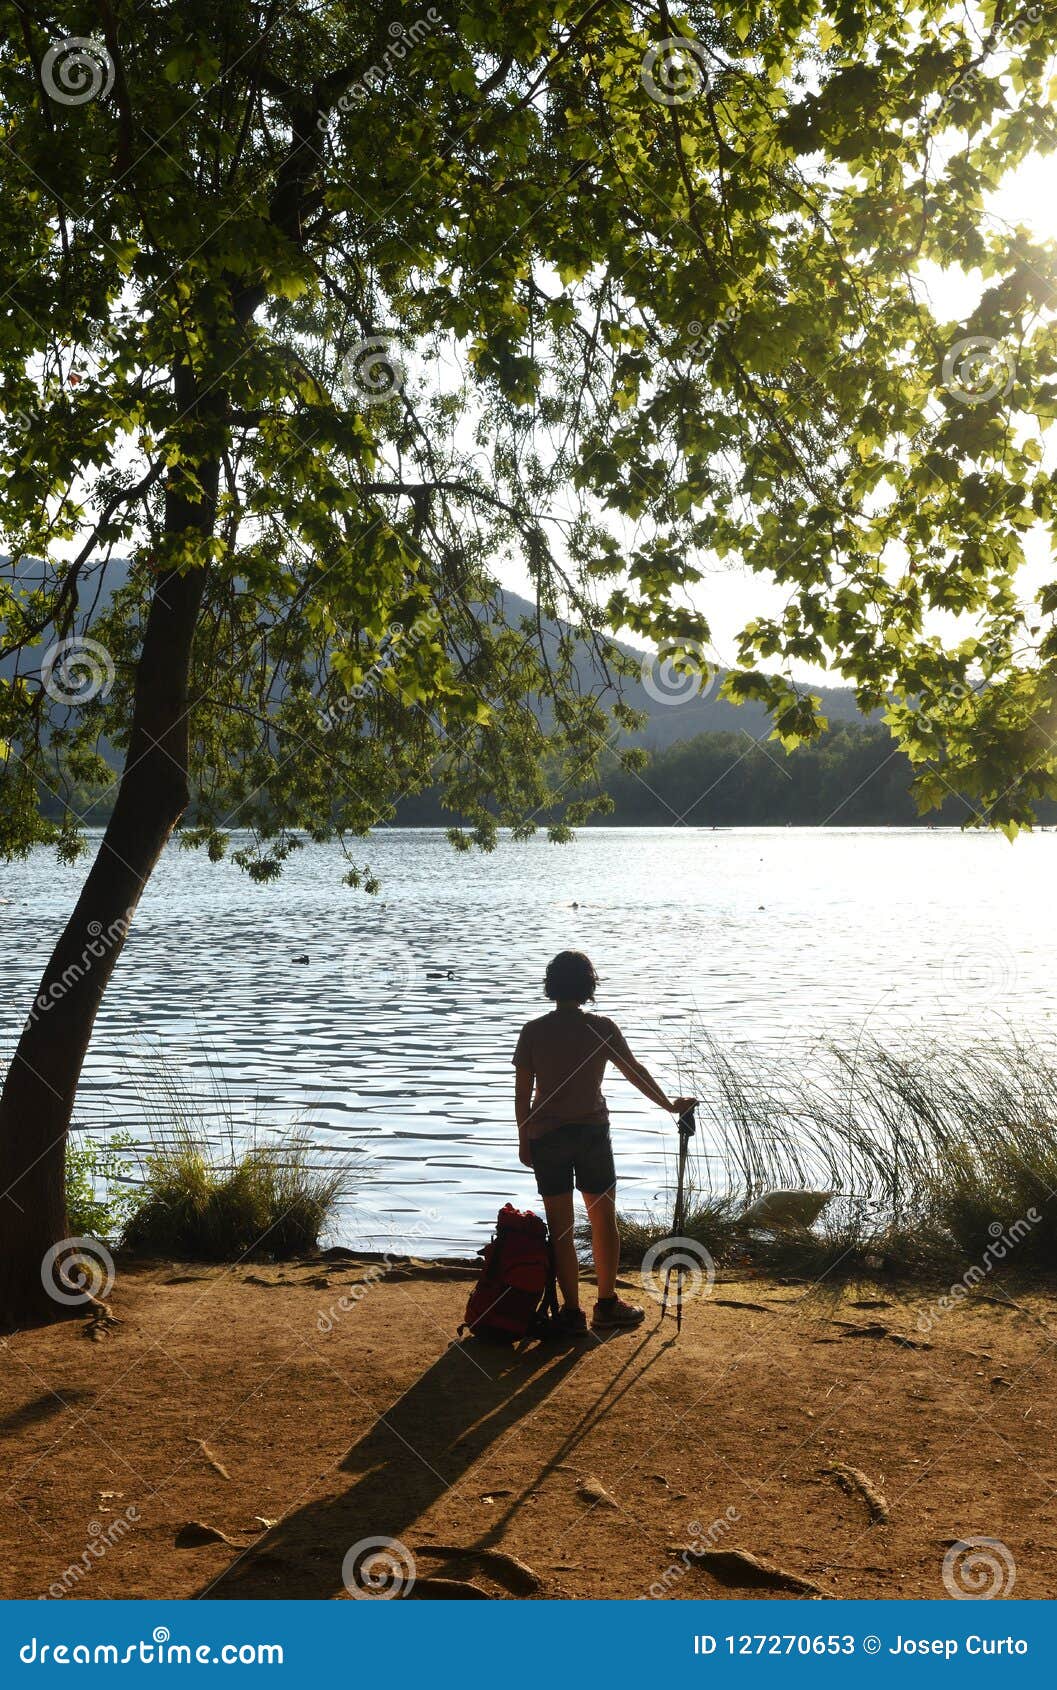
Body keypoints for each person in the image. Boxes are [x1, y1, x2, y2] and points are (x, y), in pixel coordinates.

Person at [512, 949, 695, 1336]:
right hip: (591, 1134)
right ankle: (606, 1304)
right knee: (602, 1220)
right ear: (588, 986)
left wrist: (523, 1139)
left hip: (546, 1136)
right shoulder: (602, 1028)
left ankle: (572, 1313)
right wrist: (668, 1105)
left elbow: (522, 1096)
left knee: (561, 1227)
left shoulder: (533, 1030)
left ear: (551, 986)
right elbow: (635, 1071)